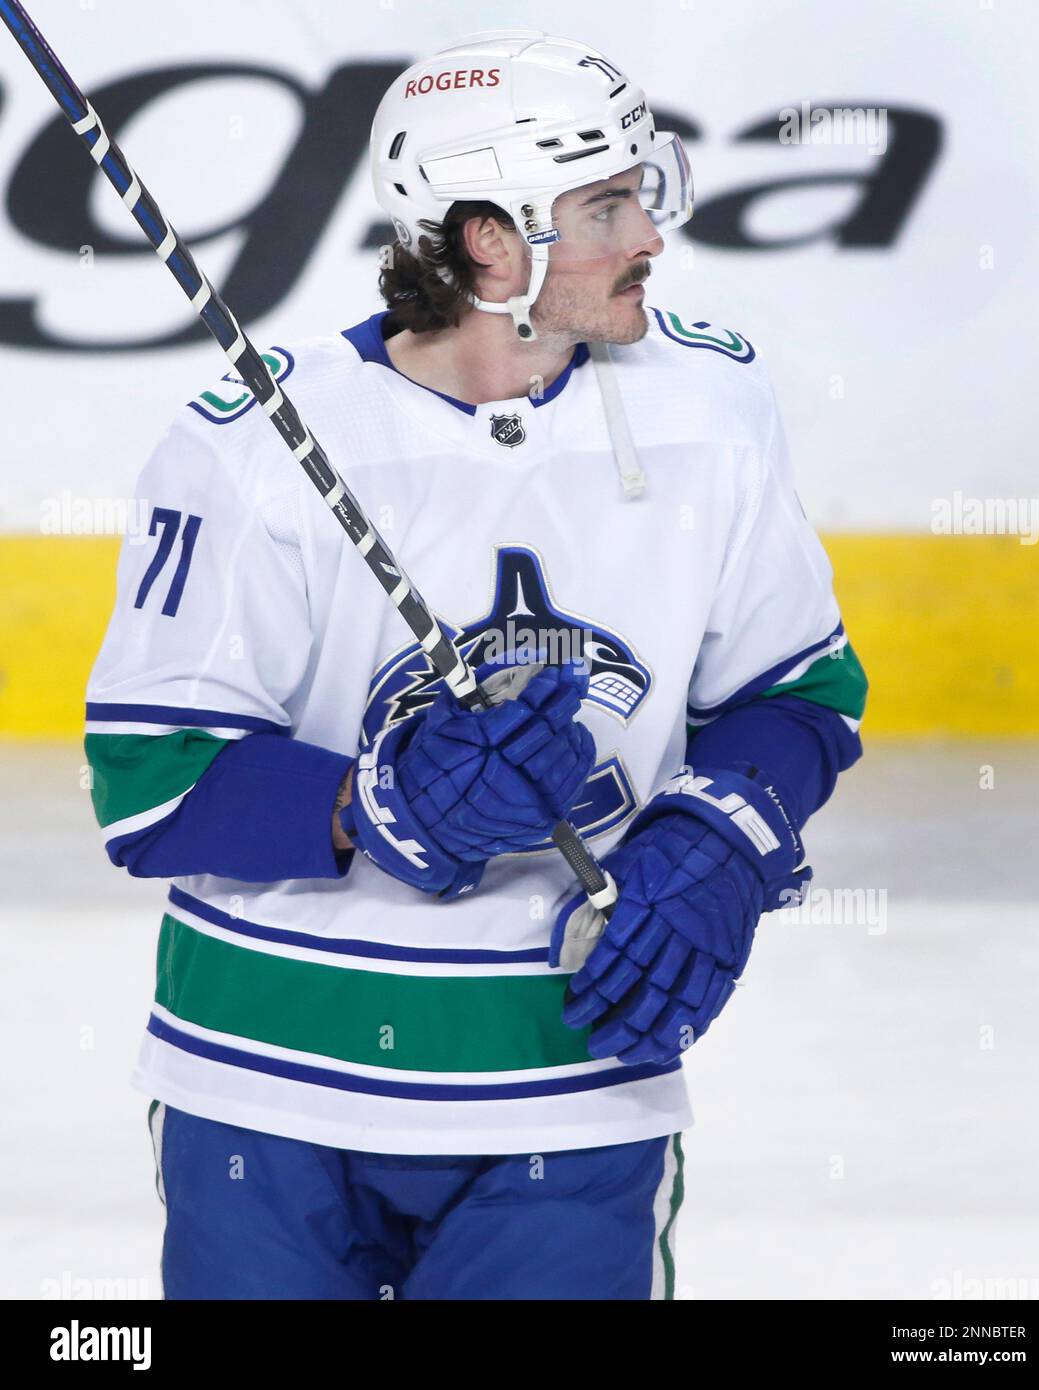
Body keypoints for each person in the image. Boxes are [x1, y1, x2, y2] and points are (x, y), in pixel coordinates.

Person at [85, 29, 867, 1300]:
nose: (648, 235)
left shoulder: (707, 405)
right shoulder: (248, 445)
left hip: (573, 1080)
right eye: (604, 207)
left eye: (641, 191)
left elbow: (798, 693)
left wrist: (717, 836)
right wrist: (374, 804)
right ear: (490, 241)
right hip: (266, 1090)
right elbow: (149, 786)